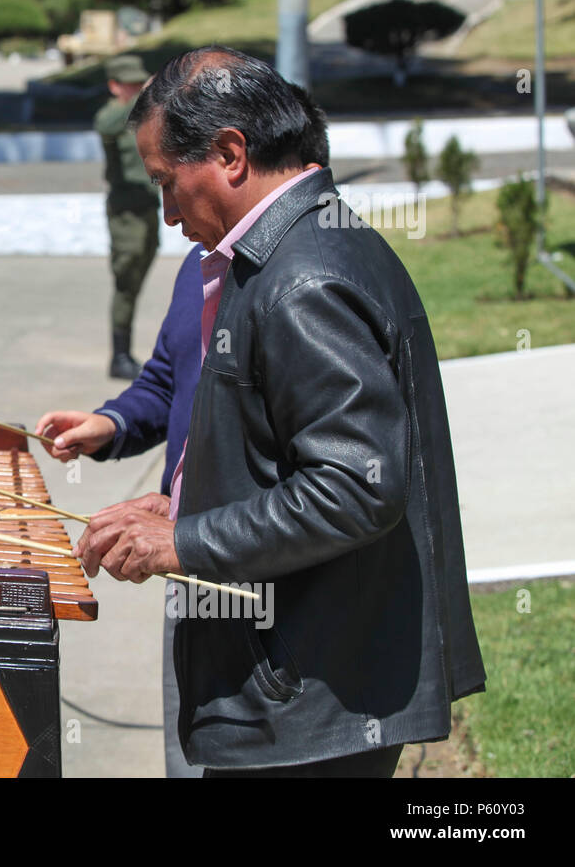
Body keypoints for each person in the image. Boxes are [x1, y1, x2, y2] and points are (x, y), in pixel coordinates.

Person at [76, 45, 486, 776]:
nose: (168, 215)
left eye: (169, 185)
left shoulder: (304, 276)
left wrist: (184, 543)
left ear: (230, 153)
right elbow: (281, 450)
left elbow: (355, 487)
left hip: (314, 688)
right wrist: (181, 505)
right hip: (305, 673)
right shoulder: (289, 248)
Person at [94, 54, 161, 380]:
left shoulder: (143, 115)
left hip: (148, 206)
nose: (136, 89)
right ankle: (119, 356)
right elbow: (104, 126)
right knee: (126, 278)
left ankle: (125, 352)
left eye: (140, 82)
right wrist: (139, 98)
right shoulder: (113, 115)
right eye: (130, 84)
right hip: (125, 211)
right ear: (114, 86)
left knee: (138, 277)